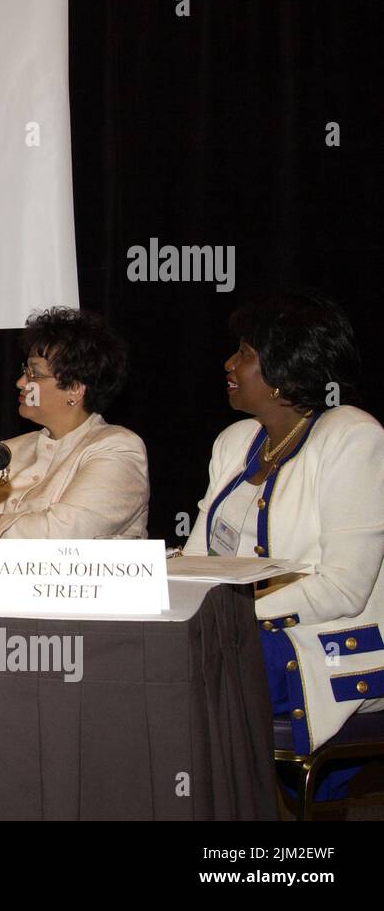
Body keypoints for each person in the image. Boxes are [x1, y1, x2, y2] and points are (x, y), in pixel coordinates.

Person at [183, 293, 384, 762]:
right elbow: (197, 562)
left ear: (286, 370)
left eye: (246, 354)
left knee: (182, 673)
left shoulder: (353, 437)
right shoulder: (234, 442)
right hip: (237, 636)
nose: (229, 363)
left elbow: (343, 589)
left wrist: (224, 618)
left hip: (320, 646)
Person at [0, 307, 148, 545]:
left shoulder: (117, 447)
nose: (20, 383)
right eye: (24, 371)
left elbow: (62, 535)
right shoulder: (8, 450)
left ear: (74, 389)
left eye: (34, 374)